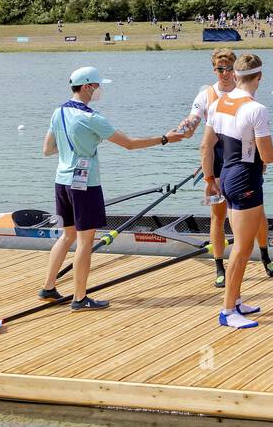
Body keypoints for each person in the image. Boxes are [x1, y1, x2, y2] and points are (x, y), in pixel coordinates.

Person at [40, 66, 184, 310]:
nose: (100, 90)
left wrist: (73, 147)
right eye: (97, 85)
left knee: (67, 236)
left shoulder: (58, 112)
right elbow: (129, 144)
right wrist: (164, 138)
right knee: (86, 241)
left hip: (62, 182)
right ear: (87, 86)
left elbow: (47, 150)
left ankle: (48, 287)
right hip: (85, 185)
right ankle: (79, 298)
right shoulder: (92, 118)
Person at [200, 53, 273, 329]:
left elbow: (206, 147)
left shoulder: (218, 103)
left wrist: (209, 179)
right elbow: (267, 155)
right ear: (259, 77)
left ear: (236, 76)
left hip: (225, 174)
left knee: (241, 243)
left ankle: (236, 299)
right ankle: (228, 311)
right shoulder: (257, 110)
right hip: (246, 180)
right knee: (242, 247)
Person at [175, 48, 273, 288]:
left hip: (244, 160)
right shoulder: (206, 95)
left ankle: (265, 256)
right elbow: (194, 119)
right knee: (218, 216)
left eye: (229, 68)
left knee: (259, 214)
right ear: (214, 70)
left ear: (237, 70)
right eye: (220, 69)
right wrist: (187, 125)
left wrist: (262, 160)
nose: (224, 73)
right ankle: (219, 266)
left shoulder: (243, 92)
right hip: (217, 160)